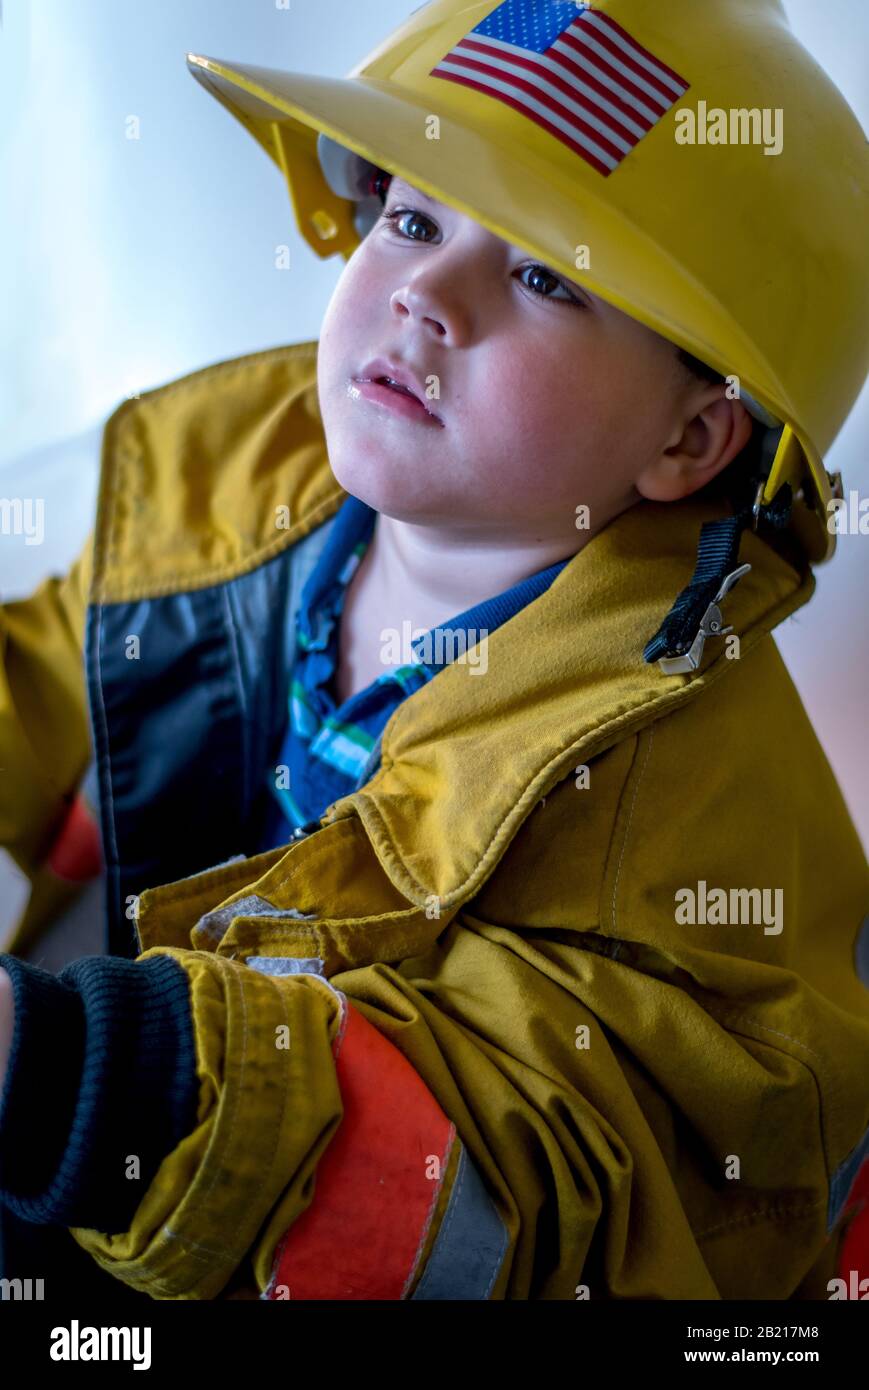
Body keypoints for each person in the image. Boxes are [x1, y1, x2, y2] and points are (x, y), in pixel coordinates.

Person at [0, 0, 867, 1301]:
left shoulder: (680, 815)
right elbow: (42, 683)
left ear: (690, 443)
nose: (423, 293)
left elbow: (521, 1188)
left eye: (542, 276)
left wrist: (70, 1072)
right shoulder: (214, 508)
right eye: (411, 218)